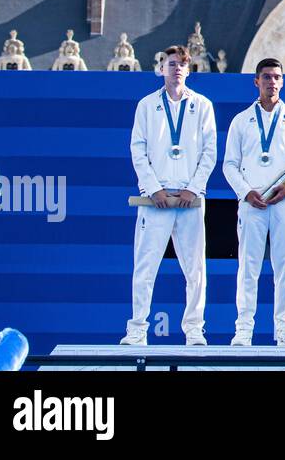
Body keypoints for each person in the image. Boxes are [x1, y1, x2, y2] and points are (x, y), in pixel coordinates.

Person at [122, 45, 218, 346]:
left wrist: (194, 187)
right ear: (161, 68)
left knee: (195, 269)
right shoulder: (147, 106)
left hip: (189, 199)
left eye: (181, 64)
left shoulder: (202, 105)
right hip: (156, 200)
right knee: (145, 266)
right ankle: (137, 329)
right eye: (171, 63)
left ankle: (194, 329)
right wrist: (154, 188)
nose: (176, 68)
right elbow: (137, 149)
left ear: (188, 71)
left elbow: (210, 151)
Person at [222, 58, 285, 347]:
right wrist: (245, 191)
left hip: (284, 203)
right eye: (266, 77)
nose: (271, 82)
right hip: (252, 203)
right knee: (248, 267)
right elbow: (229, 165)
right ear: (256, 81)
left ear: (282, 82)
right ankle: (244, 330)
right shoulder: (241, 121)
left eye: (276, 77)